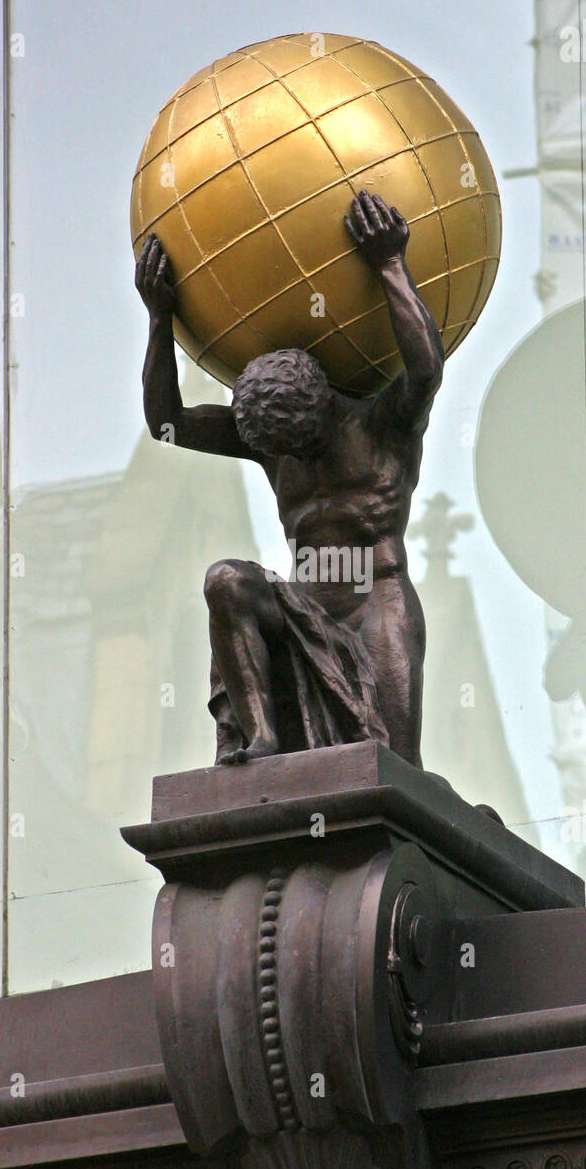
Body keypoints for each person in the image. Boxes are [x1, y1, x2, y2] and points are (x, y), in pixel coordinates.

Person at [136, 190, 444, 768]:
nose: (294, 460)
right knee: (225, 580)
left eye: (304, 447)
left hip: (376, 603)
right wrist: (160, 317)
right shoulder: (274, 442)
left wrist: (389, 263)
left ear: (325, 407)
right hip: (303, 608)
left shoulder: (383, 429)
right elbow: (168, 424)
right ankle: (263, 740)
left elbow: (424, 369)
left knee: (397, 774)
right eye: (280, 452)